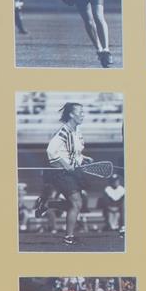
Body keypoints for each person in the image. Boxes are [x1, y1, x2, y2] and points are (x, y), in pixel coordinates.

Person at [44, 101, 93, 245]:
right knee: (77, 203)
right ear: (72, 114)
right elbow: (51, 151)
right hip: (61, 172)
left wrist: (83, 158)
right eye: (80, 112)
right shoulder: (64, 131)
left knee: (76, 204)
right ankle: (68, 237)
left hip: (73, 172)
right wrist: (65, 164)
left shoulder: (77, 131)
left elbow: (73, 152)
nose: (83, 115)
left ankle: (49, 204)